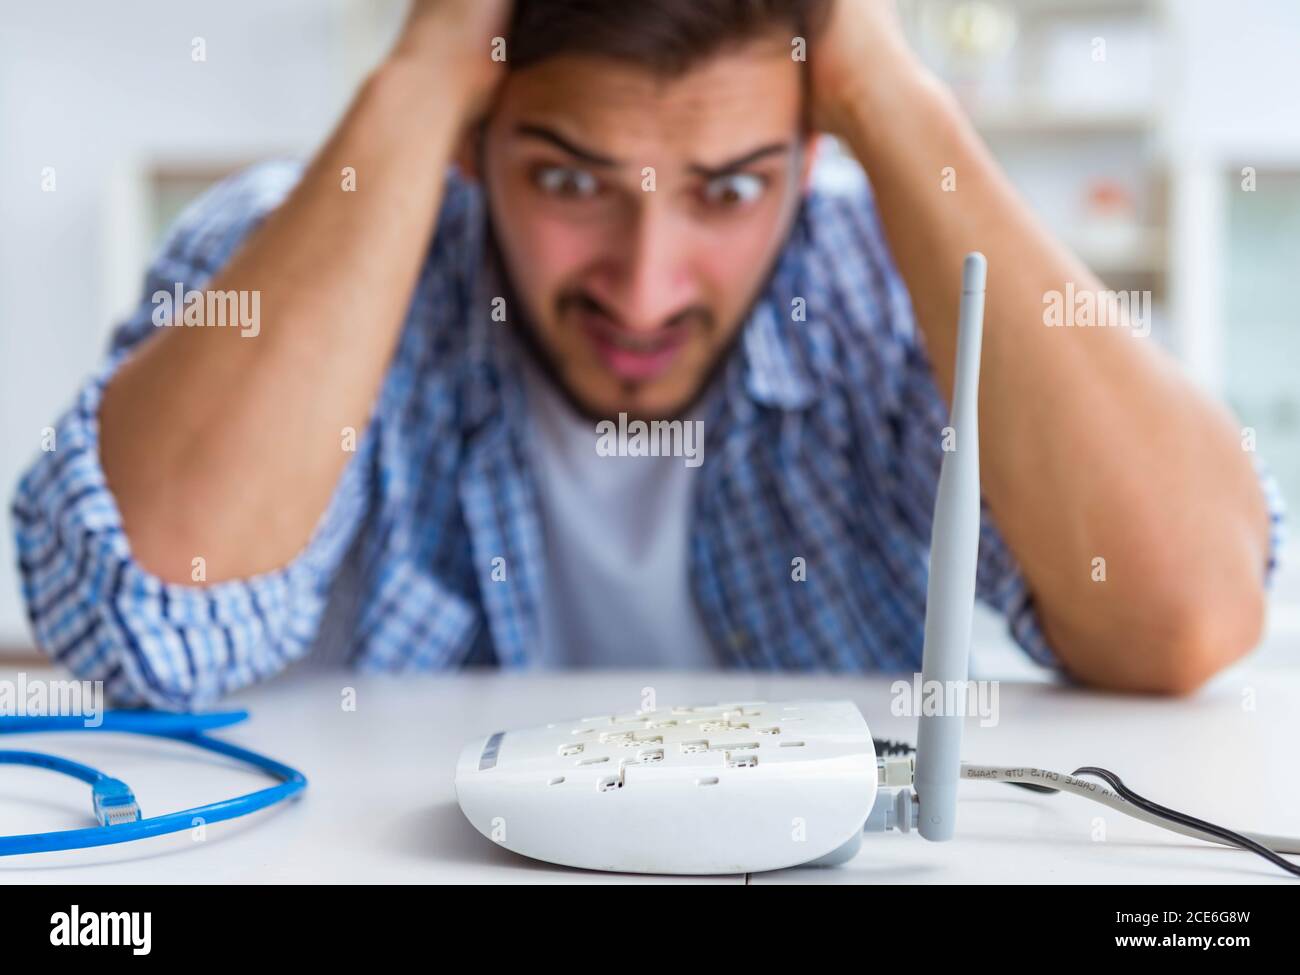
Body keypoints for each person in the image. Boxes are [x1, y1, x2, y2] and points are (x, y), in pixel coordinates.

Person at [12, 0, 1283, 708]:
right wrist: (419, 72)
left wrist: (885, 85)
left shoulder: (874, 286)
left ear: (813, 151)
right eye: (570, 180)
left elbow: (1187, 621)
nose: (644, 284)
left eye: (728, 190)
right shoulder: (284, 240)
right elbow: (142, 624)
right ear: (470, 139)